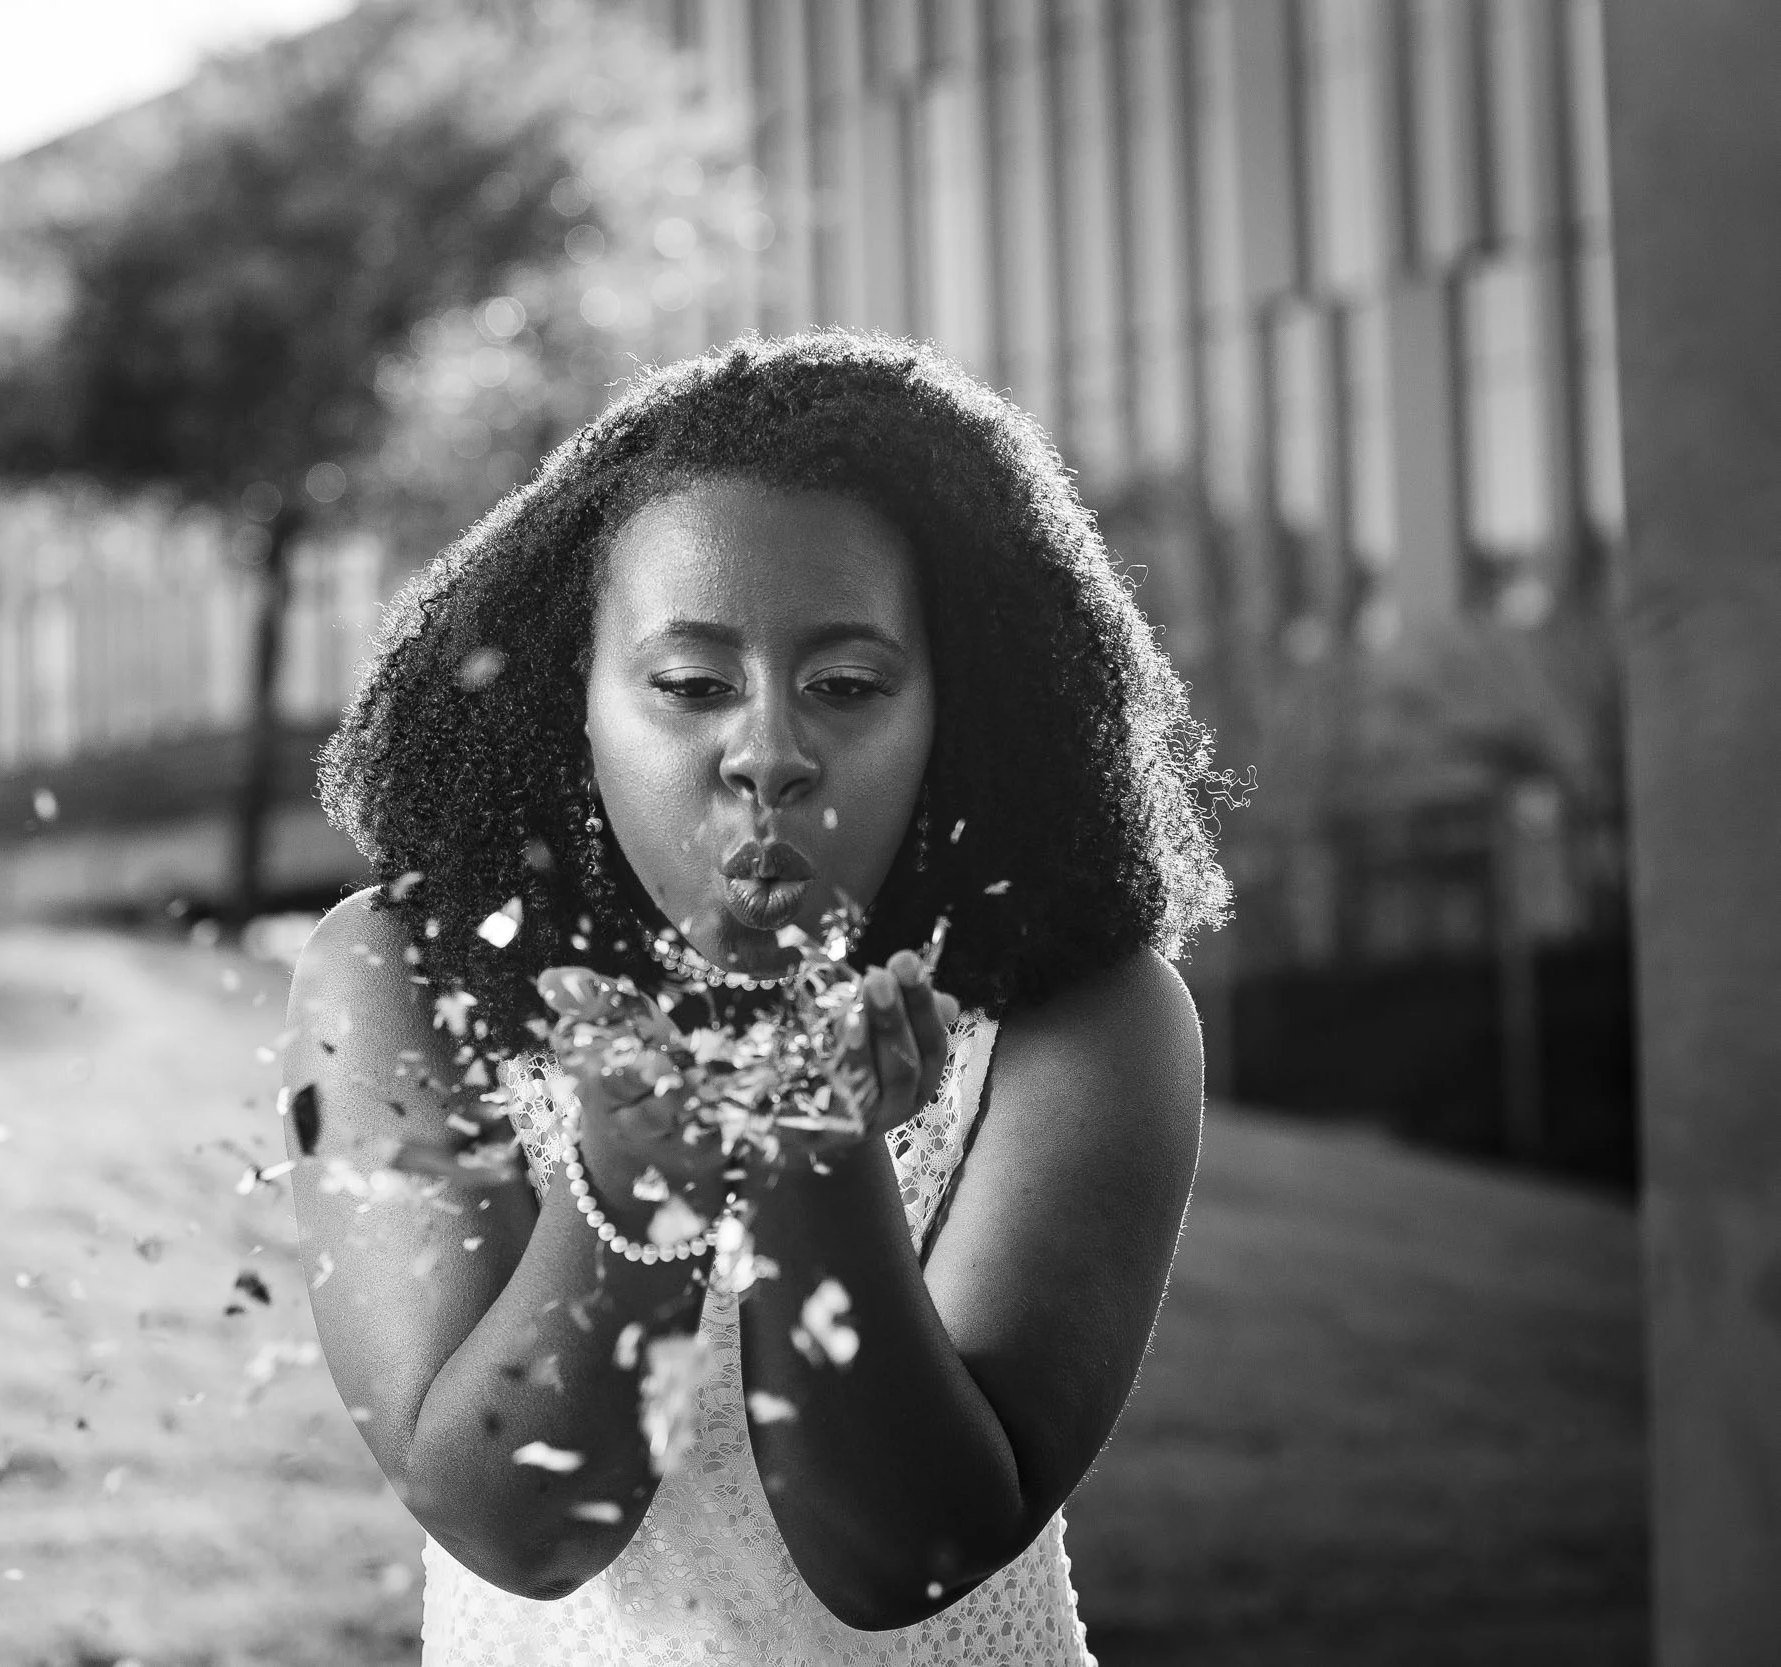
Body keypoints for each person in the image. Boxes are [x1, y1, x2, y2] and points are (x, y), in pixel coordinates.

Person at [284, 330, 1225, 1665]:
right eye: (691, 685)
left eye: (845, 685)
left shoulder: (1092, 1021)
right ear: (577, 700)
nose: (770, 752)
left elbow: (906, 1556)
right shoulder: (403, 978)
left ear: (959, 707)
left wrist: (811, 1155)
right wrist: (626, 1191)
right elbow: (518, 1527)